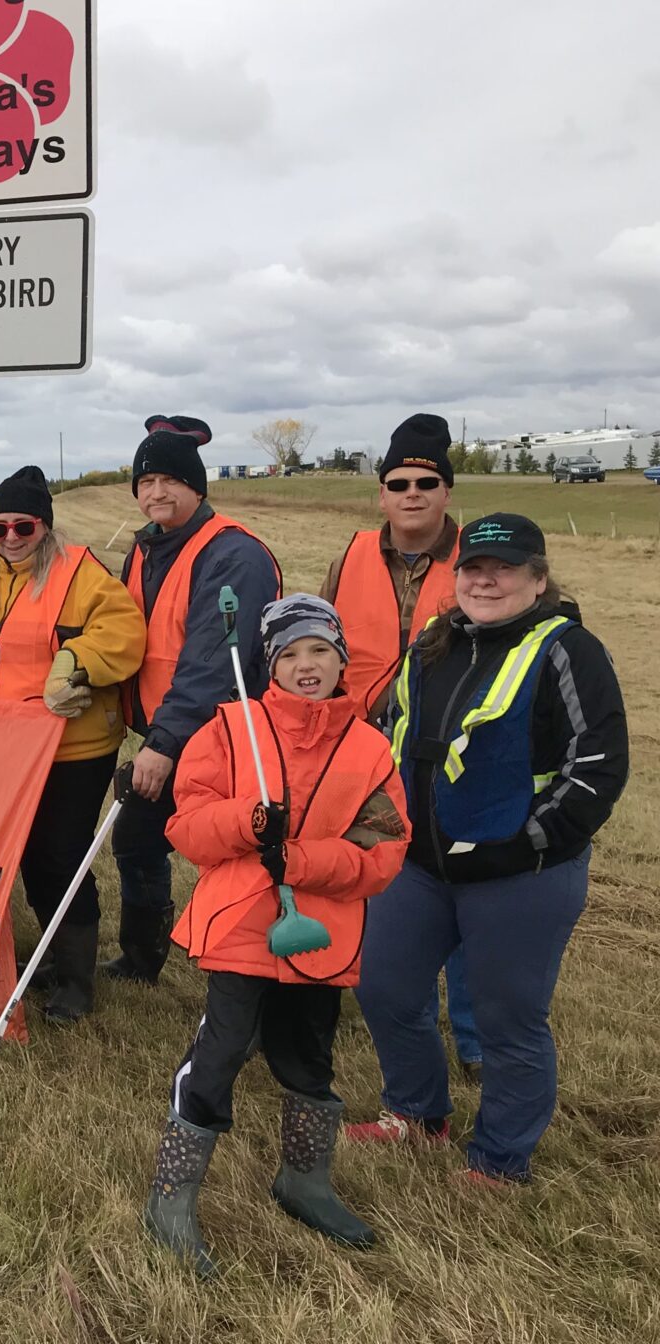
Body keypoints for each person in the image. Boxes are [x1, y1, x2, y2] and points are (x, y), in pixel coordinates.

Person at [348, 515, 628, 1184]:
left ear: (538, 578)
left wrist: (526, 844)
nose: (486, 580)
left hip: (520, 874)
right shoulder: (433, 644)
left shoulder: (568, 650)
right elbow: (390, 739)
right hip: (419, 866)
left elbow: (598, 768)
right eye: (475, 568)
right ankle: (417, 1115)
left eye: (505, 568)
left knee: (509, 1021)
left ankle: (501, 1161)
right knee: (384, 988)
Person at [143, 596, 409, 1275]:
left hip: (322, 934)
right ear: (269, 664)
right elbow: (187, 826)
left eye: (319, 650)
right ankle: (171, 1197)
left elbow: (381, 849)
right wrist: (247, 822)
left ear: (342, 660)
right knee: (221, 1051)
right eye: (289, 654)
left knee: (309, 1057)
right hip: (241, 927)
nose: (305, 665)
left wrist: (302, 860)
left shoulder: (371, 750)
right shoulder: (231, 730)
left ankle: (304, 1182)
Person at [321, 412, 480, 1078]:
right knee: (367, 871)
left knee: (461, 882)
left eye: (426, 483)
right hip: (364, 748)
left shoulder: (481, 559)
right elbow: (323, 644)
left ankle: (474, 1039)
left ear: (447, 492)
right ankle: (355, 988)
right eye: (399, 483)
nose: (412, 494)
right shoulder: (351, 557)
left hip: (453, 750)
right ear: (381, 494)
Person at [0, 466, 146, 1021]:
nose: (12, 537)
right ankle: (55, 955)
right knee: (27, 857)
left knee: (60, 856)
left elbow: (126, 632)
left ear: (44, 525)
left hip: (73, 748)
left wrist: (75, 661)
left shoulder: (79, 572)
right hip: (8, 742)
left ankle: (76, 983)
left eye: (24, 526)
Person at [109, 416, 281, 985]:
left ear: (197, 488)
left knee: (234, 854)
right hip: (172, 730)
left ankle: (250, 969)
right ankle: (141, 961)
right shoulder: (147, 548)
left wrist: (164, 744)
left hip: (226, 739)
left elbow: (212, 662)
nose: (156, 492)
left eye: (170, 481)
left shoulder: (234, 555)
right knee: (136, 840)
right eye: (146, 481)